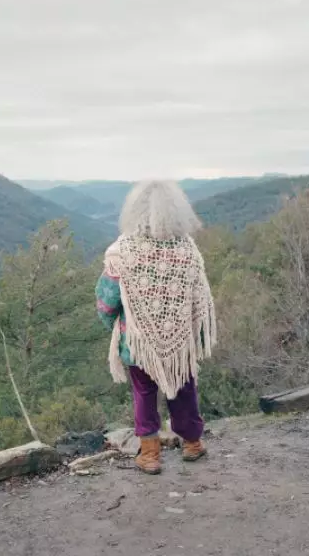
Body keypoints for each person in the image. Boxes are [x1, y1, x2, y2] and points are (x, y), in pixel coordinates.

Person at [95, 180, 217, 474]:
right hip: (180, 341)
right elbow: (198, 295)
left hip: (136, 344)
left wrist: (114, 322)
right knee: (183, 388)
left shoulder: (121, 250)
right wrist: (194, 333)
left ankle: (150, 454)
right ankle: (191, 444)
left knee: (144, 394)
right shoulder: (186, 247)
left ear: (134, 211)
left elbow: (108, 298)